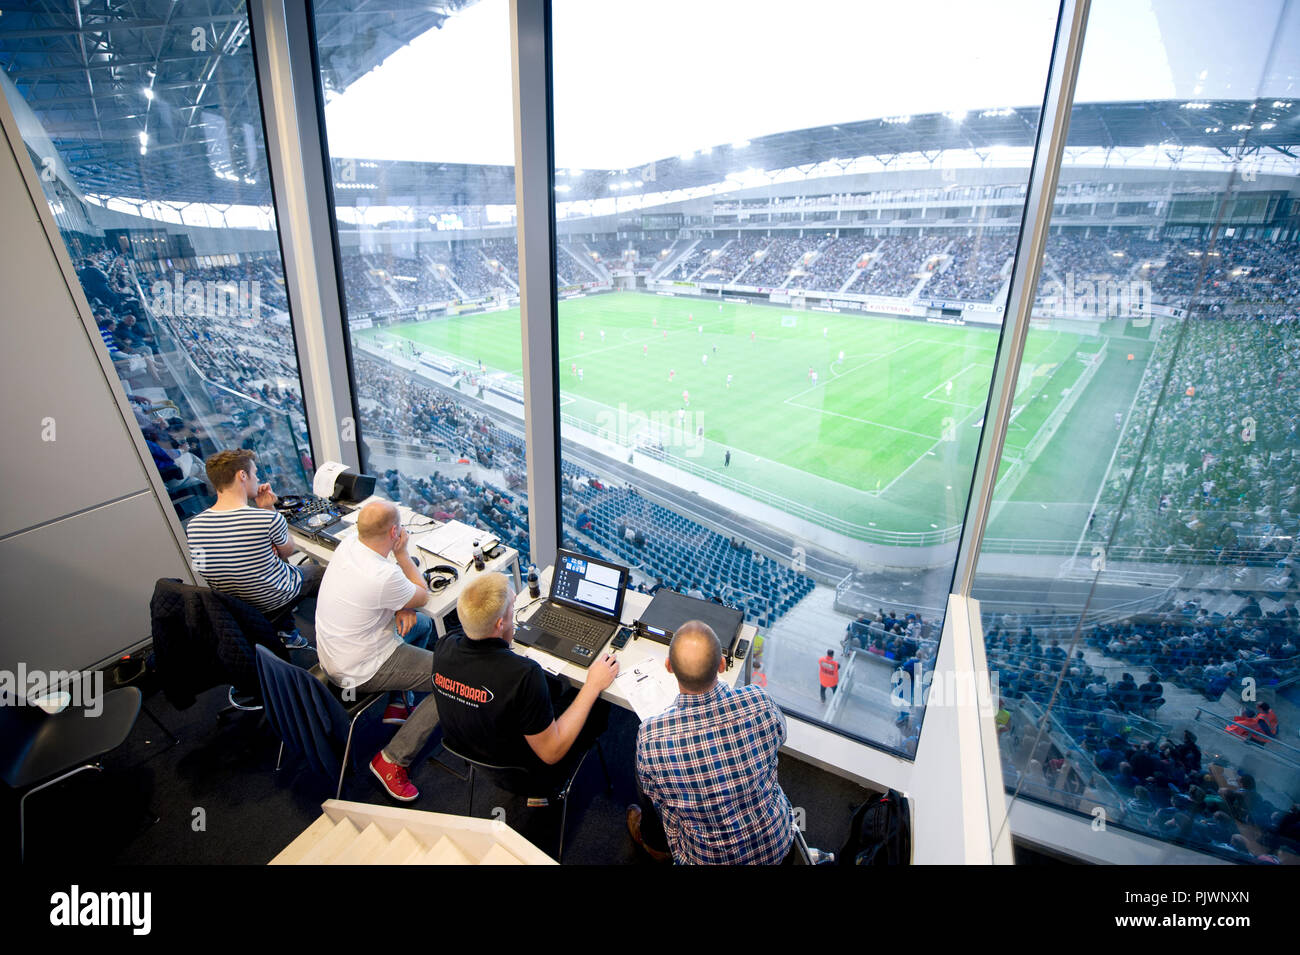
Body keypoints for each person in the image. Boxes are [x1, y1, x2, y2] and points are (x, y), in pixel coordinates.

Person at [432, 573, 618, 797]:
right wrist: (593, 685)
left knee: (551, 686)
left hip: (476, 752)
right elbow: (551, 753)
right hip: (529, 772)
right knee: (598, 703)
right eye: (513, 609)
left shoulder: (444, 646)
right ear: (500, 624)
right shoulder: (524, 675)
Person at [629, 621, 795, 864]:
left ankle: (654, 843)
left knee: (646, 778)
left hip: (705, 859)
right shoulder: (760, 701)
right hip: (777, 847)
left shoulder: (651, 736)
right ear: (722, 665)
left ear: (668, 667)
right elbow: (780, 736)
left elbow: (656, 796)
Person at [314, 500, 438, 802]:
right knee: (450, 680)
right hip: (360, 668)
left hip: (332, 653)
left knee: (420, 626)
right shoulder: (384, 576)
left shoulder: (349, 547)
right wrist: (402, 555)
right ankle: (392, 759)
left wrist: (400, 604)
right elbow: (422, 594)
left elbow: (392, 593)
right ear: (395, 531)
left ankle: (399, 701)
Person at [185, 449, 323, 648]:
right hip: (272, 600)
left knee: (274, 564)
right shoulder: (266, 519)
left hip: (236, 607)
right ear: (242, 475)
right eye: (255, 473)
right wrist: (268, 508)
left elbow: (201, 568)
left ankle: (287, 630)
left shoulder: (194, 525)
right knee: (320, 573)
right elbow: (287, 551)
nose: (257, 479)